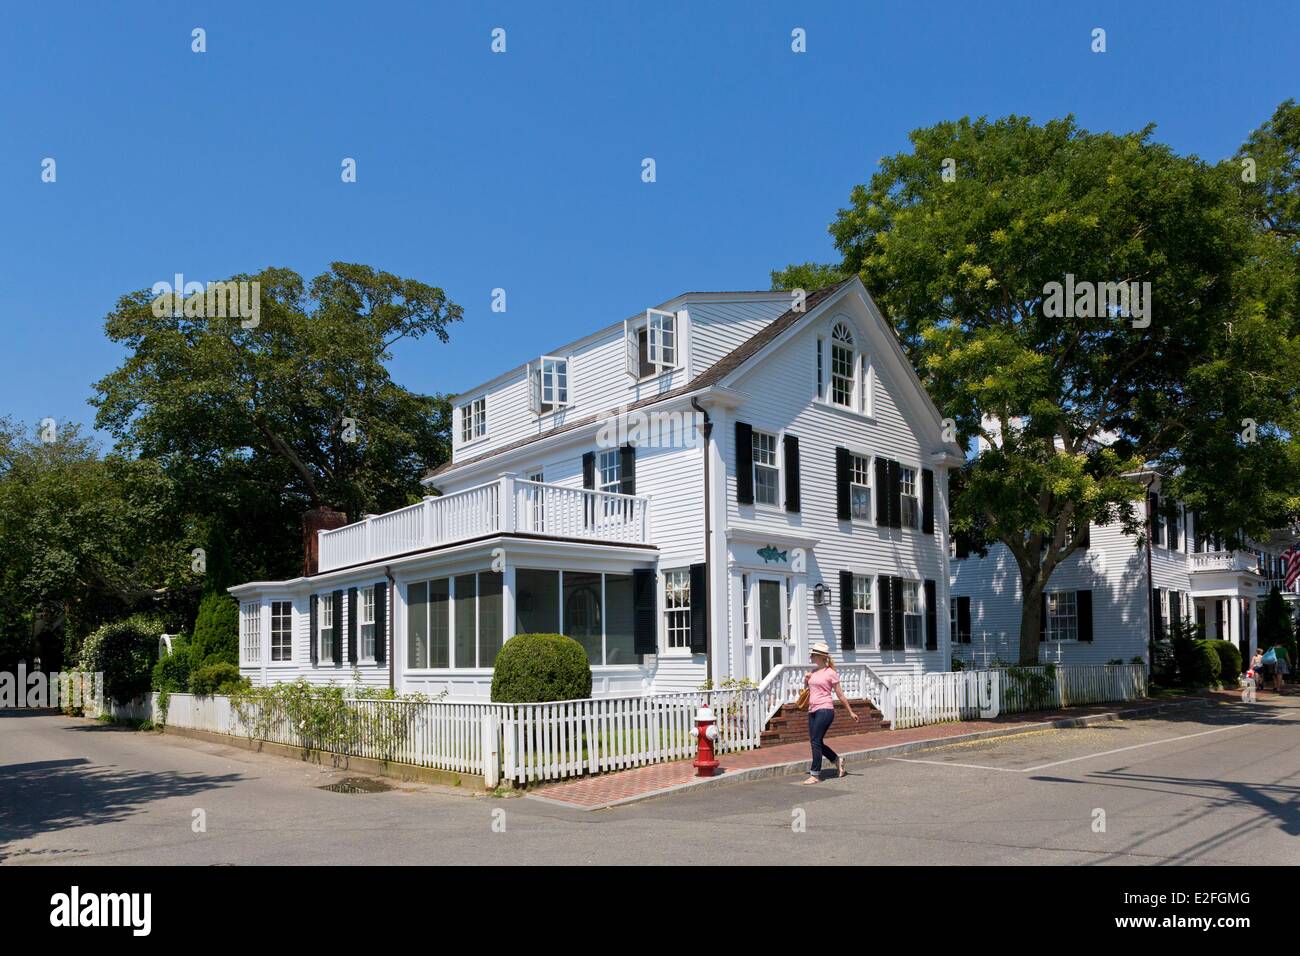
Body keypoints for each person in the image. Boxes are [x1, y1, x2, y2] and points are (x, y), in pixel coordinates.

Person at [800, 642, 860, 784]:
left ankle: (815, 775)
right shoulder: (813, 673)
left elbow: (840, 695)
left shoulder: (831, 673)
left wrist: (850, 712)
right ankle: (837, 760)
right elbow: (806, 692)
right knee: (817, 741)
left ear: (821, 657)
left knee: (815, 742)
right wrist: (806, 681)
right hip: (812, 710)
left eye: (813, 655)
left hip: (825, 710)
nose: (811, 656)